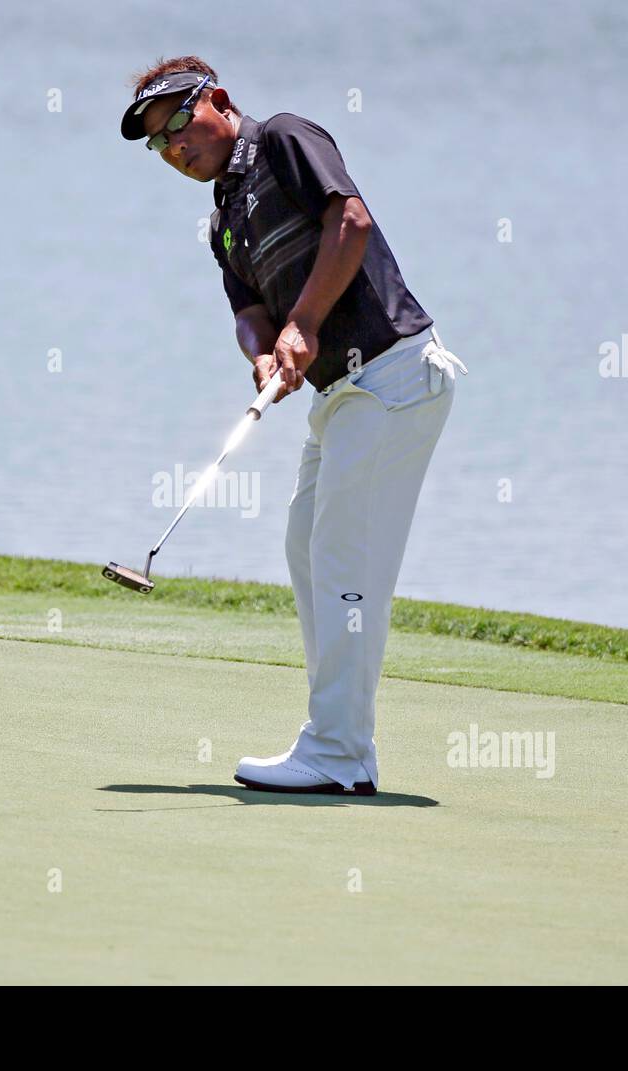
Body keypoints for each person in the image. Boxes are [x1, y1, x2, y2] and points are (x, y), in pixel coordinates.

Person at [120, 56, 466, 796]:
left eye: (178, 122)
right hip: (344, 393)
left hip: (395, 374)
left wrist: (303, 324)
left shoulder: (282, 139)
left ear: (217, 99)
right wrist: (264, 358)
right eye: (159, 143)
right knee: (309, 552)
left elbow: (352, 220)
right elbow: (250, 316)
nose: (175, 147)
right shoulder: (222, 223)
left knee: (342, 563)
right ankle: (343, 742)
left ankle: (338, 752)